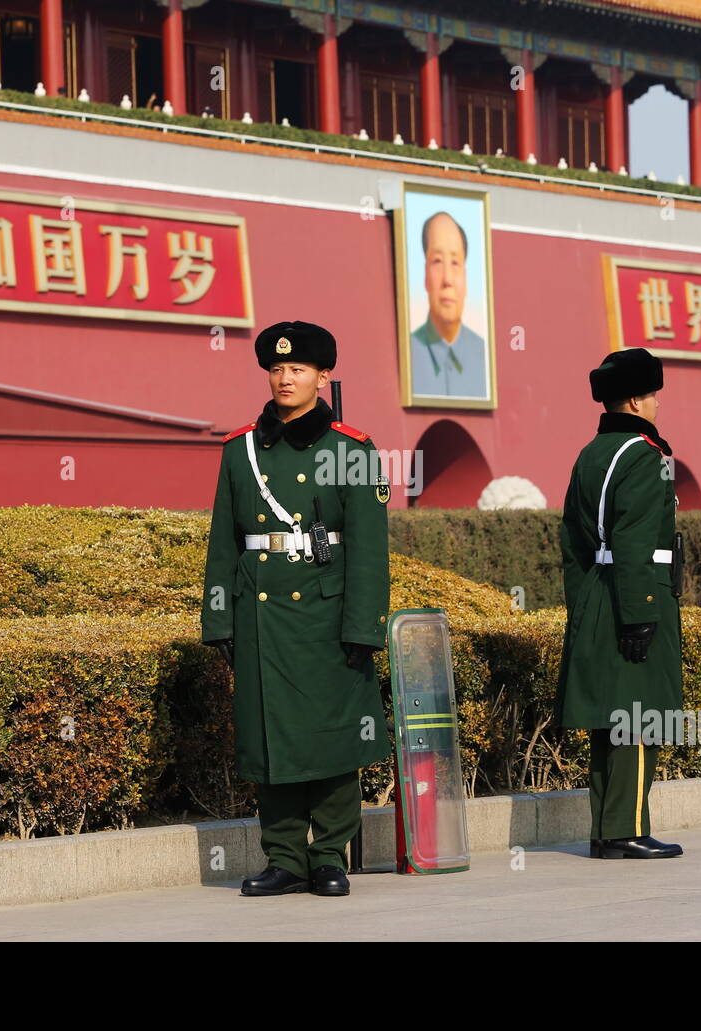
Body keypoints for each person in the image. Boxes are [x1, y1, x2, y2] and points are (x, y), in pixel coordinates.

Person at [201, 320, 390, 896]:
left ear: (323, 376)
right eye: (277, 369)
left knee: (330, 738)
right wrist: (218, 618)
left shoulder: (349, 449)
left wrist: (364, 625)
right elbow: (223, 541)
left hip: (328, 618)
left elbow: (368, 548)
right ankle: (284, 857)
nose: (286, 378)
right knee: (270, 737)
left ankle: (330, 855)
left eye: (299, 369)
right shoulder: (241, 451)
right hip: (261, 615)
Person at [556, 347, 684, 860]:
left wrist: (584, 604)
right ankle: (627, 828)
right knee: (638, 716)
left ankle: (606, 831)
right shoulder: (645, 456)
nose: (657, 404)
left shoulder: (590, 454)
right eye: (652, 395)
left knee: (610, 721)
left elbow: (571, 542)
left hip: (596, 595)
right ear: (635, 399)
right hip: (636, 596)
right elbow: (634, 543)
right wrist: (641, 613)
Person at [409, 211, 488, 399]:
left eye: (455, 263)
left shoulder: (484, 356)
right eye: (437, 261)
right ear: (425, 274)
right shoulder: (408, 353)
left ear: (466, 276)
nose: (447, 279)